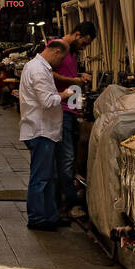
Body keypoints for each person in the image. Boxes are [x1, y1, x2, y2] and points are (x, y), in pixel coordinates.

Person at [20, 39, 75, 230]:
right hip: (40, 130)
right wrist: (66, 94)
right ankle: (36, 218)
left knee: (49, 176)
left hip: (45, 130)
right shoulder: (38, 69)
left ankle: (50, 216)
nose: (61, 64)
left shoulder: (39, 67)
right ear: (56, 52)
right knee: (41, 177)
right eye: (62, 60)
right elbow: (47, 101)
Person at [50, 21, 97, 219]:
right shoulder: (58, 46)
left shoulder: (72, 53)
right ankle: (67, 203)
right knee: (67, 157)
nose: (84, 47)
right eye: (84, 43)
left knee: (67, 157)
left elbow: (64, 74)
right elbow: (48, 72)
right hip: (61, 109)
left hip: (70, 110)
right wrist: (73, 81)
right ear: (77, 34)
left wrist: (79, 76)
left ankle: (63, 201)